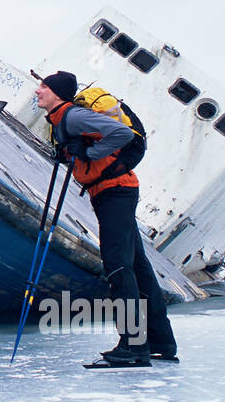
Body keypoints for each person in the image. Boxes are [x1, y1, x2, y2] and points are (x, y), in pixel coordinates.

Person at [33, 70, 178, 366]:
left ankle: (133, 346)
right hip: (112, 190)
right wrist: (73, 153)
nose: (38, 90)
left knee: (117, 267)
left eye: (44, 86)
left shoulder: (71, 117)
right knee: (137, 266)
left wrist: (88, 151)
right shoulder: (62, 120)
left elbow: (123, 134)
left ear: (57, 93)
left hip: (115, 191)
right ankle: (160, 342)